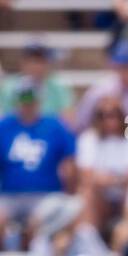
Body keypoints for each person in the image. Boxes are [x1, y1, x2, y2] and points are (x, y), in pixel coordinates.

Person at [0, 79, 76, 245]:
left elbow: (69, 160)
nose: (27, 105)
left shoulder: (54, 125)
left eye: (31, 100)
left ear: (39, 101)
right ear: (16, 101)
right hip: (9, 195)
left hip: (45, 195)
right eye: (24, 100)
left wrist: (69, 187)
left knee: (46, 216)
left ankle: (35, 254)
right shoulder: (4, 126)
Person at [76, 95, 128, 236]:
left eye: (114, 114)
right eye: (102, 115)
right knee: (86, 192)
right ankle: (90, 239)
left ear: (123, 115)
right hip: (101, 198)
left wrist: (111, 179)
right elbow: (86, 175)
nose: (109, 119)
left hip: (127, 196)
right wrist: (117, 179)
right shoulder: (88, 138)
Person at [0, 41, 73, 121]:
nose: (36, 66)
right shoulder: (9, 86)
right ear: (22, 63)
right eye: (31, 61)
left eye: (40, 61)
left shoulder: (59, 87)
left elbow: (68, 120)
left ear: (48, 63)